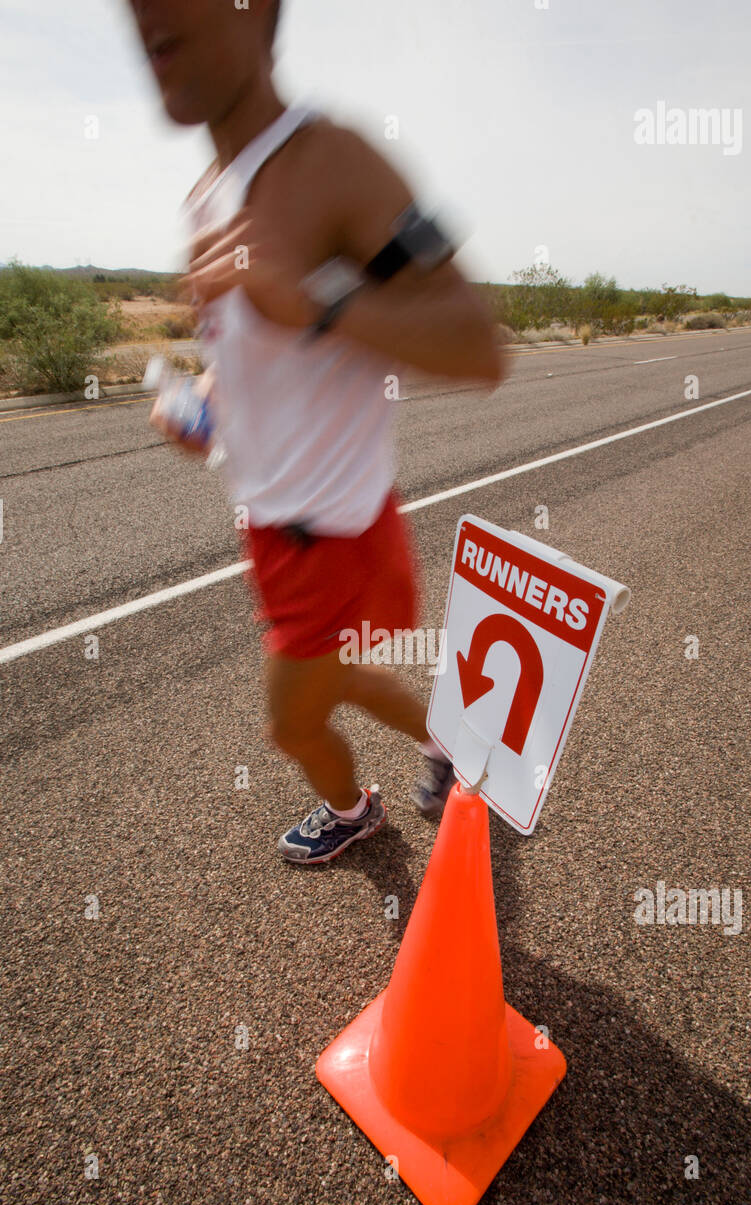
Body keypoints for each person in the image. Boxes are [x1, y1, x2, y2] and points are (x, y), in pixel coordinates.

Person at [127, 0, 503, 863]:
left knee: (290, 723)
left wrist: (321, 299)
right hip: (270, 527)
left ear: (256, 12)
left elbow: (479, 345)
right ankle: (455, 744)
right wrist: (206, 405)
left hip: (333, 533)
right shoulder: (205, 198)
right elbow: (248, 350)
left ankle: (354, 811)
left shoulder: (334, 161)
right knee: (351, 677)